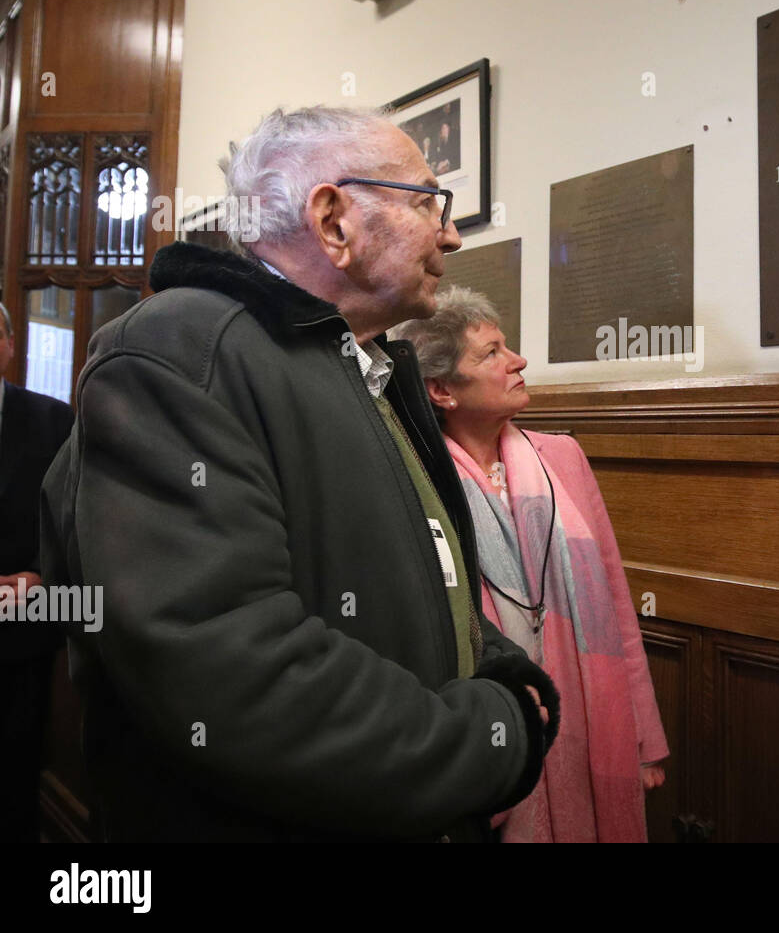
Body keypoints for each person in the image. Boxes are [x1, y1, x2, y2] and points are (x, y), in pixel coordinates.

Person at [38, 106, 559, 842]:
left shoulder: (360, 365)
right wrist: (482, 741)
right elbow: (230, 674)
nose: (450, 233)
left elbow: (415, 578)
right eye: (427, 201)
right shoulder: (178, 351)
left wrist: (500, 668)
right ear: (334, 220)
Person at [391, 287, 668, 842]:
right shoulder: (417, 479)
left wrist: (644, 739)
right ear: (442, 390)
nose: (517, 361)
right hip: (500, 723)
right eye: (490, 353)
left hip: (591, 715)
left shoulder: (561, 456)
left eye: (507, 346)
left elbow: (613, 603)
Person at [0, 302, 74, 842]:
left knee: (13, 781)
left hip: (19, 638)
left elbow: (76, 517)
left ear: (7, 344)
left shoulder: (54, 421)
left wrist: (37, 574)